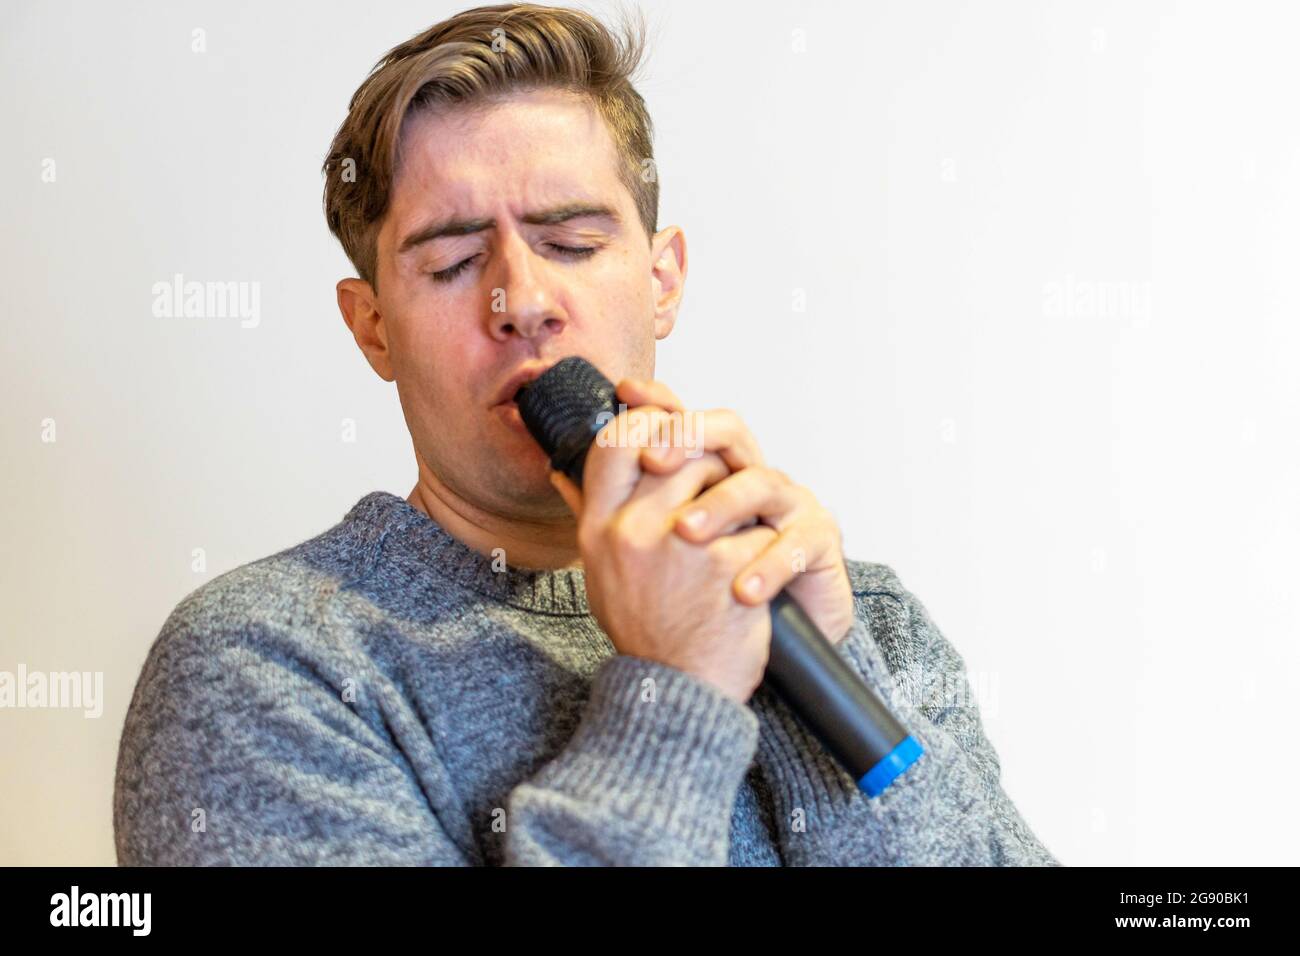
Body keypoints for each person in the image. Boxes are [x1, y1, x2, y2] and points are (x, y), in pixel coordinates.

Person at [113, 2, 1059, 866]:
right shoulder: (268, 668)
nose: (522, 300)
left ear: (663, 280)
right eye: (451, 262)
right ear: (372, 328)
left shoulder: (863, 618)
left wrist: (821, 683)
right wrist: (673, 689)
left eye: (570, 244)